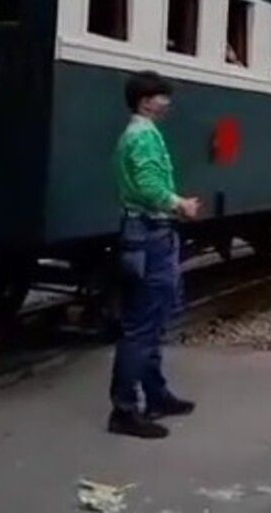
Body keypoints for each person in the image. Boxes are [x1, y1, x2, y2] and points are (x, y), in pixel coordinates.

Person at [108, 71, 201, 439]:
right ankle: (124, 411)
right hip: (150, 234)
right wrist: (180, 204)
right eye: (162, 96)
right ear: (146, 101)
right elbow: (149, 187)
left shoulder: (136, 133)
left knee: (152, 320)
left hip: (146, 233)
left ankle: (156, 395)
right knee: (142, 326)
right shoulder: (143, 136)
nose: (168, 102)